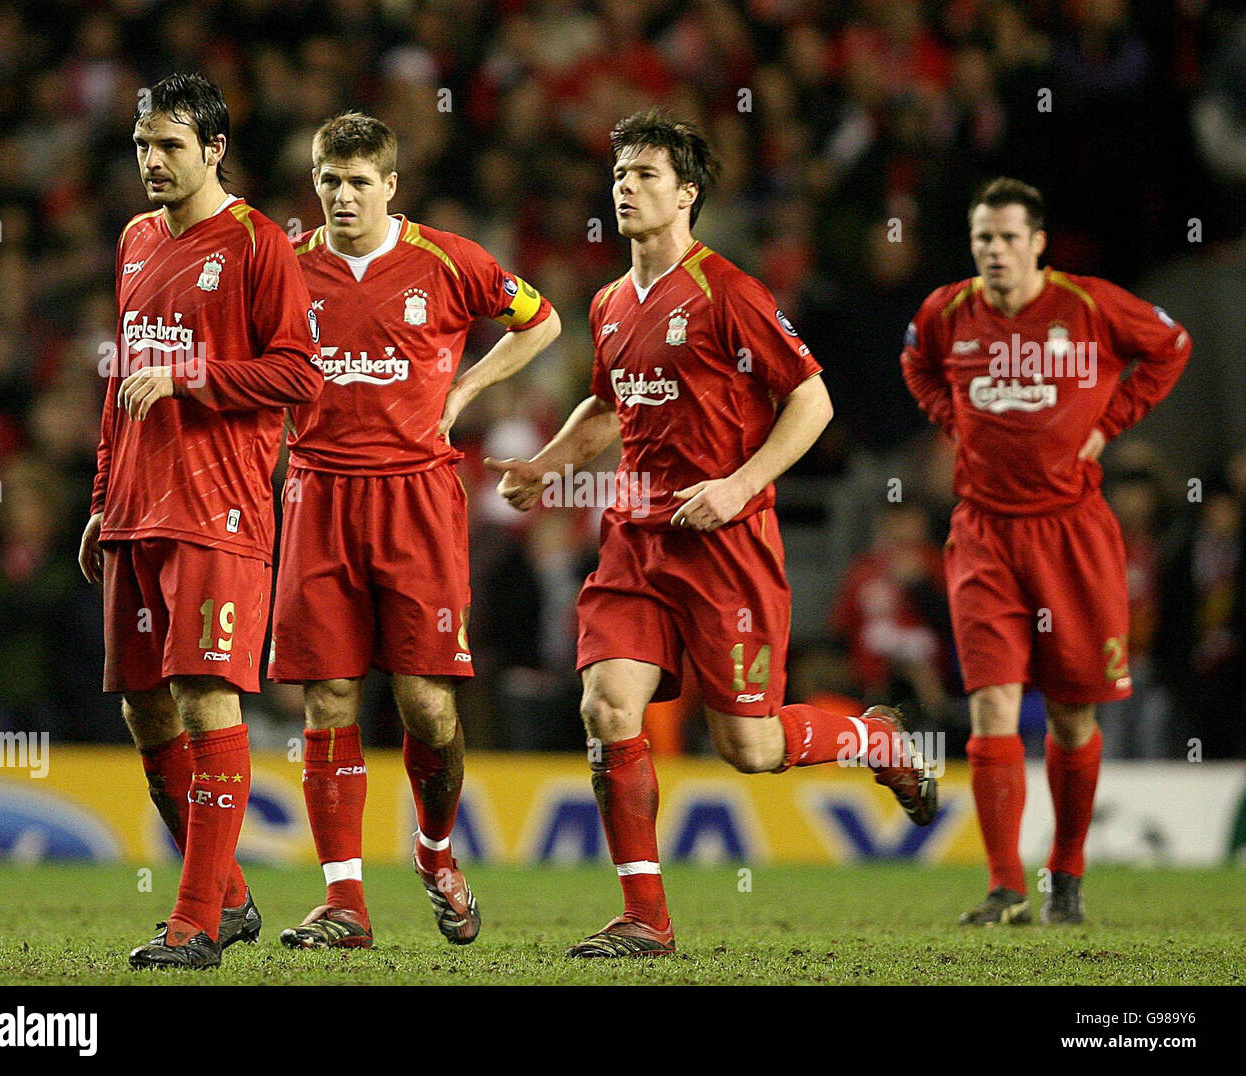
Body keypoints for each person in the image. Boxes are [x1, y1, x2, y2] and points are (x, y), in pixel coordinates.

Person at [488, 111, 936, 958]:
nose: (626, 186)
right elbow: (607, 404)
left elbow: (812, 400)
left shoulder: (728, 291)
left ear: (688, 192)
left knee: (751, 747)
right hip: (635, 541)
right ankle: (644, 919)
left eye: (647, 174)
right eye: (620, 173)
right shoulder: (611, 302)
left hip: (725, 546)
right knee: (606, 704)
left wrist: (738, 485)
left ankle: (875, 737)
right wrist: (547, 465)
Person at [269, 113, 559, 949]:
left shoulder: (449, 260)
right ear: (315, 184)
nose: (344, 194)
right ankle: (344, 903)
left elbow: (540, 321)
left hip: (417, 502)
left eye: (361, 180)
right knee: (327, 695)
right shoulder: (287, 272)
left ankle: (435, 854)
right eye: (330, 180)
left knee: (425, 706)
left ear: (391, 185)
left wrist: (465, 392)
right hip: (317, 495)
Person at [79, 73, 323, 968]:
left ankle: (194, 925)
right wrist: (102, 499)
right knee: (146, 712)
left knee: (203, 697)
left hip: (220, 506)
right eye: (143, 145)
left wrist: (196, 377)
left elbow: (300, 375)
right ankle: (231, 900)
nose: (151, 161)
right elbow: (120, 381)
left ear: (215, 148)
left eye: (170, 146)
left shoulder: (261, 244)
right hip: (138, 508)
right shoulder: (136, 240)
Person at [900, 177, 1191, 925]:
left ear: (1037, 244)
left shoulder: (1090, 304)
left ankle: (1066, 873)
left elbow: (1171, 345)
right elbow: (918, 365)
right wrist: (948, 416)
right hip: (984, 534)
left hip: (1072, 532)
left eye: (1006, 238)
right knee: (993, 703)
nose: (994, 251)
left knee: (1071, 717)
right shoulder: (946, 312)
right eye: (982, 239)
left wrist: (1112, 420)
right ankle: (1005, 887)